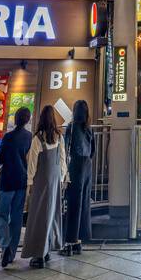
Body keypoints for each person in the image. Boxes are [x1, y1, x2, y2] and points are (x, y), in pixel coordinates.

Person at [21, 105, 68, 268]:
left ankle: (39, 254)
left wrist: (29, 183)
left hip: (41, 182)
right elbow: (62, 160)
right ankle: (48, 249)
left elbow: (32, 165)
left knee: (38, 216)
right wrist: (62, 178)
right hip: (55, 180)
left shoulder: (37, 139)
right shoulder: (59, 137)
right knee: (52, 214)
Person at [0, 106, 33, 268]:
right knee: (16, 217)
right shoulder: (29, 136)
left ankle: (5, 246)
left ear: (15, 119)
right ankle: (11, 251)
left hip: (7, 181)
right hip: (21, 181)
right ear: (27, 120)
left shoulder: (8, 137)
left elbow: (0, 159)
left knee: (0, 215)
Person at [63, 99, 95, 255]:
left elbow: (65, 148)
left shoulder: (71, 127)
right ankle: (80, 241)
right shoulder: (89, 128)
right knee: (84, 203)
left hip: (76, 165)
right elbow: (93, 149)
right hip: (88, 166)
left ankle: (70, 241)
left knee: (73, 204)